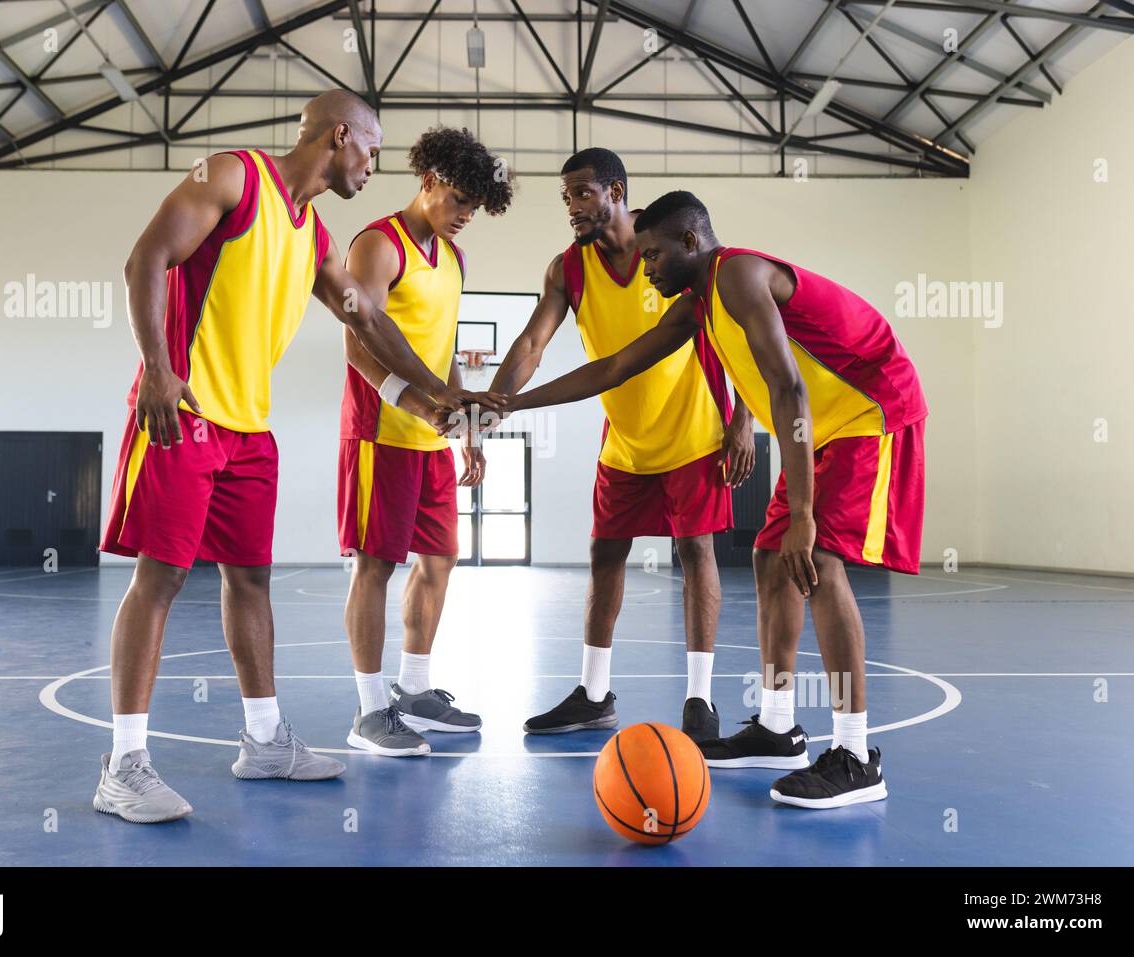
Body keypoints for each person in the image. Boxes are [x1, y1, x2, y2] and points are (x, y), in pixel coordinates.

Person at [94, 91, 497, 823]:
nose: (373, 164)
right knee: (160, 580)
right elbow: (146, 257)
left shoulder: (312, 235)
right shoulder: (231, 176)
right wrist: (156, 365)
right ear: (340, 135)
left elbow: (367, 316)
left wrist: (442, 396)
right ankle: (124, 764)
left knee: (251, 582)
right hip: (183, 412)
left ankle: (265, 740)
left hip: (249, 433)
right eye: (370, 149)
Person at [500, 190, 927, 809]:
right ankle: (778, 729)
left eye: (653, 255)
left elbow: (788, 392)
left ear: (691, 243)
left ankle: (857, 756)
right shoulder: (699, 302)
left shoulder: (743, 276)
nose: (644, 269)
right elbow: (617, 366)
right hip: (828, 426)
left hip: (871, 411)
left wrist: (804, 515)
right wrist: (512, 403)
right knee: (769, 557)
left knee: (819, 562)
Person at [487, 148, 754, 745]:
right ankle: (594, 694)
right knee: (604, 555)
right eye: (565, 198)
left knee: (696, 555)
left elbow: (736, 331)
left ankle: (699, 699)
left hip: (694, 425)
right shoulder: (567, 269)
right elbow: (533, 342)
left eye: (581, 193)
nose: (572, 207)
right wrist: (495, 402)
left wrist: (742, 418)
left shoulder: (670, 248)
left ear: (615, 190)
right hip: (625, 438)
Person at [338, 126, 514, 756]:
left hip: (432, 441)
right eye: (460, 200)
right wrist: (419, 404)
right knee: (375, 567)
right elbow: (357, 346)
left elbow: (443, 355)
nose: (466, 216)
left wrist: (464, 427)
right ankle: (368, 711)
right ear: (429, 178)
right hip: (380, 433)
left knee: (439, 562)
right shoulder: (377, 246)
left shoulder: (454, 257)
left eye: (475, 208)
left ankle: (414, 691)